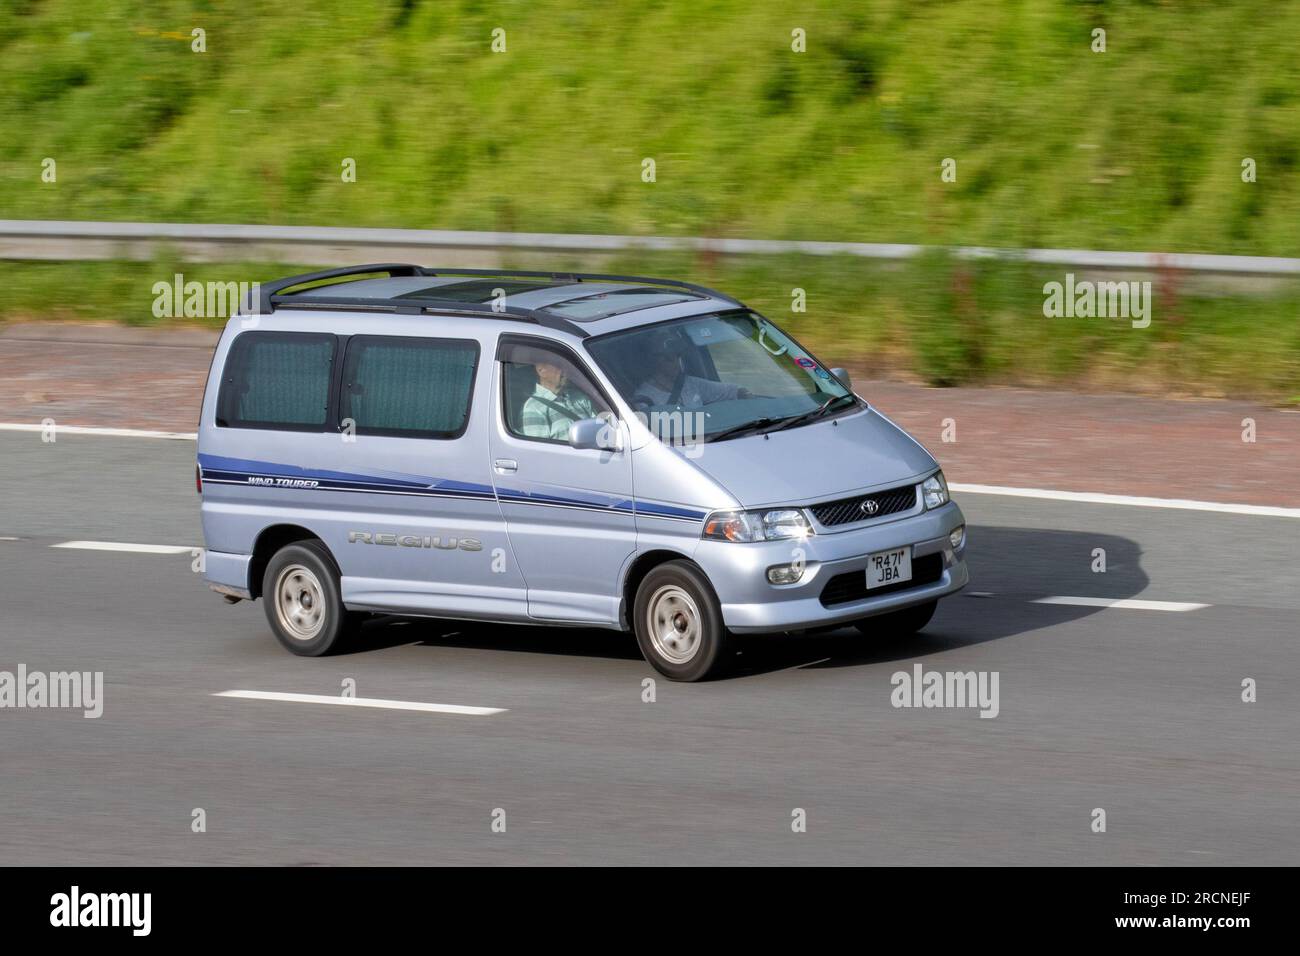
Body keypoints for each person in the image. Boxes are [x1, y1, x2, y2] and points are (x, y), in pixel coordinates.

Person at [633, 334, 750, 407]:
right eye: (669, 358)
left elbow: (731, 391)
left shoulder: (691, 384)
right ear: (655, 361)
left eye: (678, 356)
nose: (676, 362)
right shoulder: (643, 398)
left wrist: (747, 394)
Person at [520, 354, 598, 440]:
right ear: (541, 370)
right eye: (559, 365)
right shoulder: (533, 408)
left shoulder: (579, 398)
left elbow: (599, 431)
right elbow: (538, 451)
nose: (566, 370)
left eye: (566, 365)